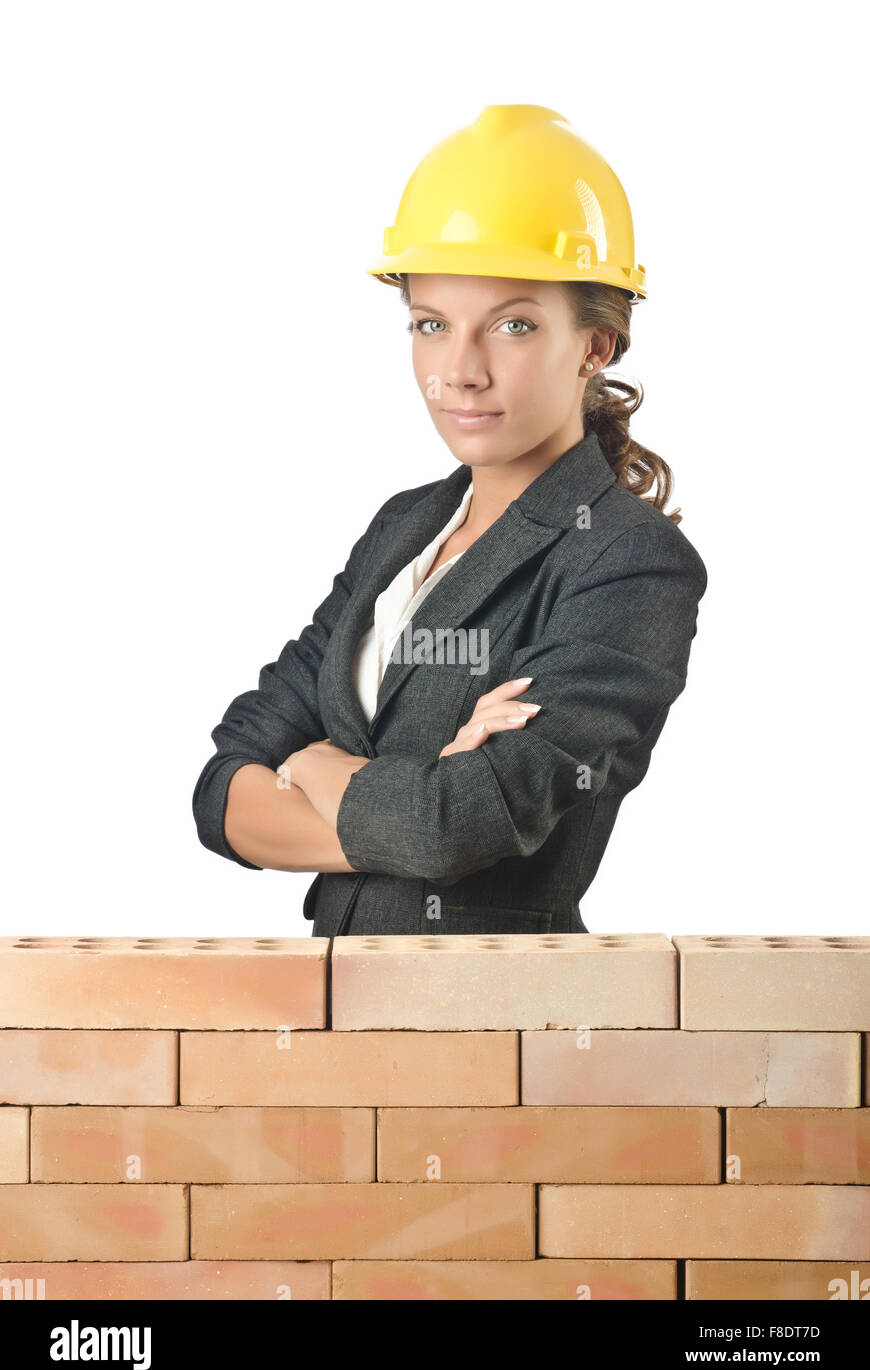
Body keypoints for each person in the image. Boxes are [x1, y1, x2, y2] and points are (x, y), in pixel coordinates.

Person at [192, 105, 708, 937]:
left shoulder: (630, 563)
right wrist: (409, 797)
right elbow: (221, 792)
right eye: (431, 325)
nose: (460, 372)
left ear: (596, 344)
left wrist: (315, 764)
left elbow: (460, 825)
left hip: (497, 1028)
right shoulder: (404, 529)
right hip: (333, 1021)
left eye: (513, 325)